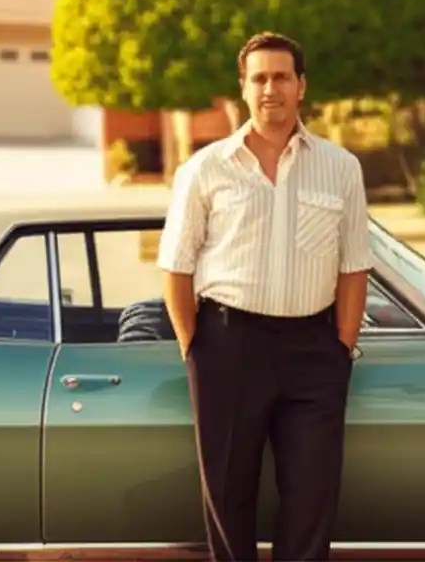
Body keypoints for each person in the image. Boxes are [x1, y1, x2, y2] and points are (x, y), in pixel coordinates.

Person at [157, 31, 372, 561]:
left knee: (312, 494)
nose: (270, 88)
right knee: (228, 492)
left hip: (314, 350)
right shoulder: (205, 169)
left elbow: (354, 267)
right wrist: (195, 348)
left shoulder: (341, 167)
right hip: (228, 346)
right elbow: (176, 267)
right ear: (243, 88)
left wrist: (341, 347)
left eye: (281, 77)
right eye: (259, 78)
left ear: (302, 86)